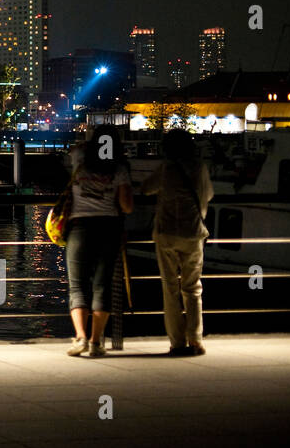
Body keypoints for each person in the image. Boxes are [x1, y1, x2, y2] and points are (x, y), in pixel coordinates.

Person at [64, 125, 134, 357]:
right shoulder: (120, 168)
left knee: (77, 284)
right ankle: (96, 342)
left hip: (79, 227)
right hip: (108, 227)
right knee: (102, 285)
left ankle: (80, 337)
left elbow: (73, 148)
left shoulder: (80, 158)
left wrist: (86, 145)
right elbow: (127, 206)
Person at [143, 129, 213, 356]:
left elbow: (145, 188)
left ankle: (177, 341)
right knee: (193, 289)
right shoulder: (199, 167)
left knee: (170, 288)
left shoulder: (166, 168)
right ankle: (196, 340)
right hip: (192, 232)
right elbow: (208, 194)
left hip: (166, 233)